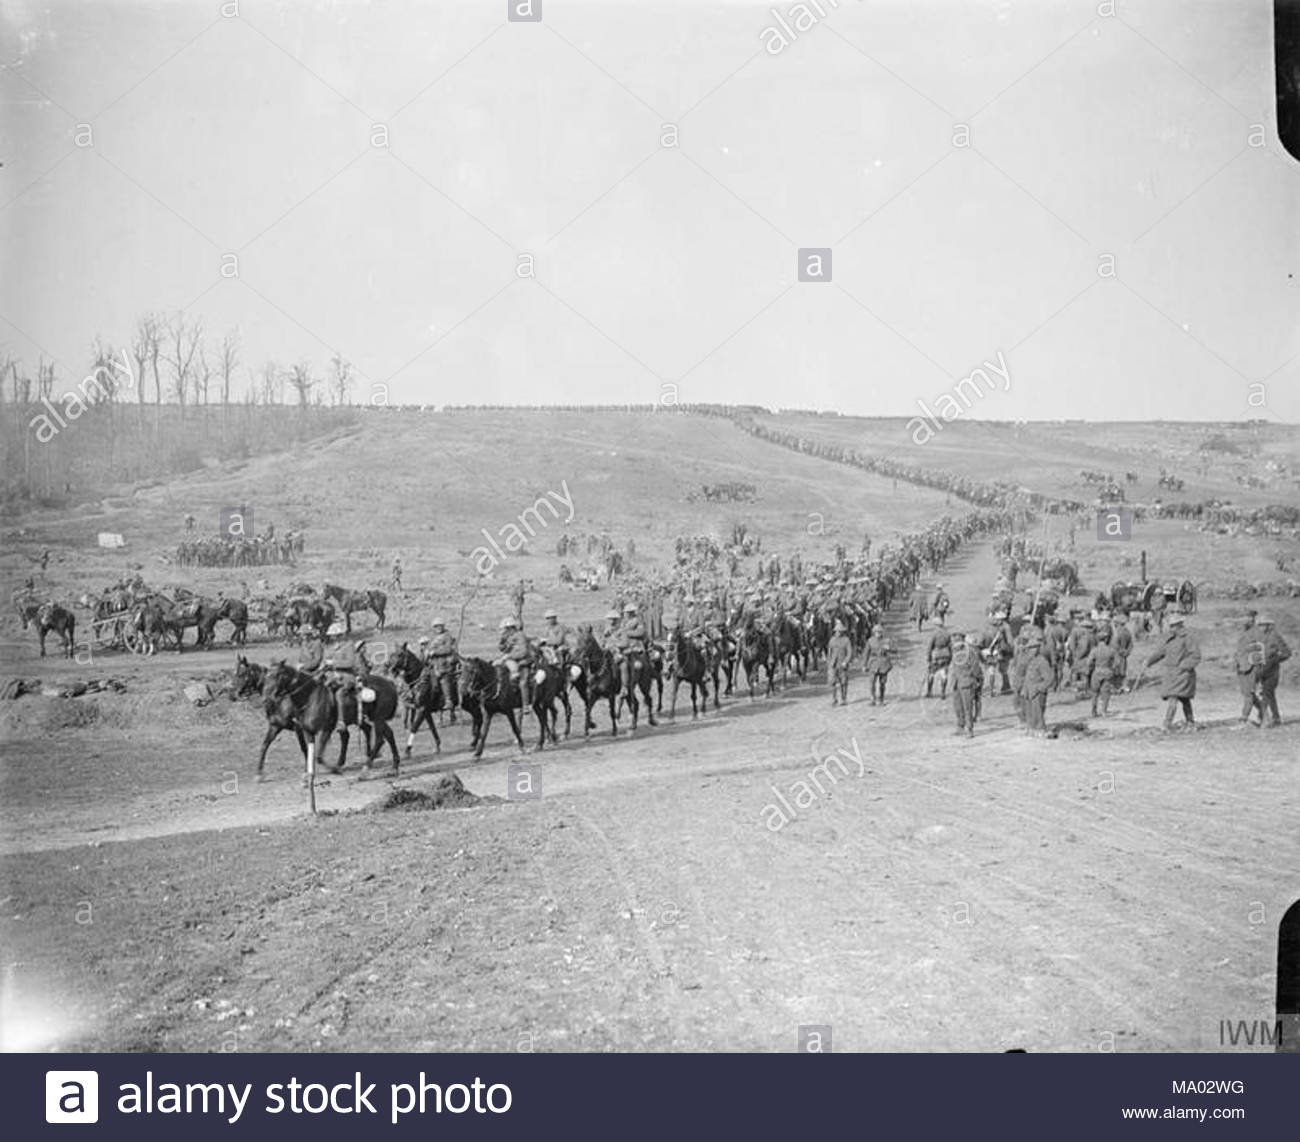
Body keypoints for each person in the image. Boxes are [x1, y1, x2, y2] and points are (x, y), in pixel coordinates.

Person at [1142, 613, 1200, 731]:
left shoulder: (1188, 638)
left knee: (1174, 697)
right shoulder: (1170, 639)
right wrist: (1148, 661)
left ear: (1179, 625)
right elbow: (1161, 653)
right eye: (1170, 626)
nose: (1170, 628)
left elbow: (1195, 656)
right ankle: (1190, 721)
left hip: (1183, 674)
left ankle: (1167, 723)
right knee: (1184, 699)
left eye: (1173, 626)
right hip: (1171, 674)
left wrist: (1183, 666)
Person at [1254, 616, 1291, 728]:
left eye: (1264, 625)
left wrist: (1275, 660)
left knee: (1267, 693)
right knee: (1266, 694)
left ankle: (1266, 718)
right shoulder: (1257, 637)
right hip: (1260, 669)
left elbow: (1287, 652)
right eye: (1260, 625)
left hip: (1272, 670)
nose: (1262, 627)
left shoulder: (1276, 637)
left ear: (1269, 626)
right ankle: (1274, 717)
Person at [497, 617, 534, 713]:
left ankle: (526, 705)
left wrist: (510, 656)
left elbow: (523, 652)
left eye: (506, 629)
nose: (504, 631)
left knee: (523, 682)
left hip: (524, 661)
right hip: (511, 661)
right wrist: (502, 641)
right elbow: (503, 649)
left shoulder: (520, 636)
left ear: (511, 628)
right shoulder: (509, 637)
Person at [425, 618, 458, 722]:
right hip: (434, 665)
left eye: (439, 626)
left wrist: (434, 652)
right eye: (435, 626)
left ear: (443, 626)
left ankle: (449, 701)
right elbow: (430, 650)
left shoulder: (447, 636)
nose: (438, 628)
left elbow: (449, 649)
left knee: (444, 680)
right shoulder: (434, 638)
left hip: (445, 665)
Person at [950, 634, 983, 737]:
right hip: (957, 683)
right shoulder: (955, 653)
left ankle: (969, 729)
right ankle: (960, 726)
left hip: (966, 683)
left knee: (967, 707)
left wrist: (977, 679)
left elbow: (975, 669)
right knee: (958, 706)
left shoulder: (970, 654)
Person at [1021, 630, 1053, 736]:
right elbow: (1027, 676)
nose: (1030, 651)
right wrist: (1024, 689)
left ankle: (1040, 729)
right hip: (1028, 691)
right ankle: (1031, 728)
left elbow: (1049, 678)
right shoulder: (1031, 661)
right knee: (1029, 712)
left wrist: (1039, 688)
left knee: (1038, 712)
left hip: (1037, 691)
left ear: (1037, 649)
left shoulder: (1042, 661)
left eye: (1032, 648)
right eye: (1029, 648)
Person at [1085, 625, 1121, 717]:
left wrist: (1090, 669)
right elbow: (1118, 662)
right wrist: (1112, 668)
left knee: (1095, 693)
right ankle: (1104, 711)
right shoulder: (1111, 650)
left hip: (1096, 672)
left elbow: (1088, 662)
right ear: (1106, 639)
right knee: (1105, 693)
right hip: (1107, 672)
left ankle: (1093, 711)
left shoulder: (1094, 650)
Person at [826, 618, 853, 706]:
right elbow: (829, 652)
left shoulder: (846, 640)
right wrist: (829, 663)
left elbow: (849, 652)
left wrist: (846, 661)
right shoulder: (832, 640)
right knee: (832, 681)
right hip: (833, 663)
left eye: (840, 631)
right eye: (837, 631)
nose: (838, 633)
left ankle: (843, 698)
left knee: (843, 682)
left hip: (842, 664)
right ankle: (834, 699)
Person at [863, 628, 893, 705]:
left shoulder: (887, 641)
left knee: (882, 683)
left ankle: (881, 699)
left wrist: (889, 649)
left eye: (880, 632)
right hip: (873, 663)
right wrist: (864, 665)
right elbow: (866, 653)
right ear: (874, 632)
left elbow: (895, 650)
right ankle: (872, 699)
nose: (878, 633)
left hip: (883, 664)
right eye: (876, 632)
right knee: (872, 682)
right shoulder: (870, 641)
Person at [925, 623, 952, 698]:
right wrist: (950, 658)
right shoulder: (947, 634)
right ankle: (943, 692)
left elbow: (930, 647)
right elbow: (951, 646)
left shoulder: (934, 634)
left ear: (936, 626)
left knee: (931, 674)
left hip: (936, 656)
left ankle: (929, 692)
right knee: (944, 675)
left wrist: (928, 658)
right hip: (946, 655)